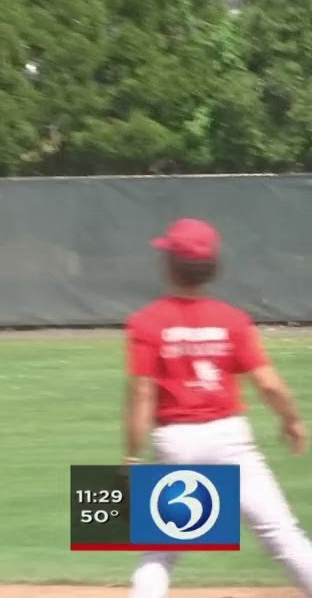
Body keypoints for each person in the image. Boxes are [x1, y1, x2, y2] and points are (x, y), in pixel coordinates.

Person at [125, 218, 312, 598]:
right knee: (282, 535)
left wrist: (131, 457)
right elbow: (269, 384)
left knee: (161, 550)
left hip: (175, 442)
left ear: (168, 265)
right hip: (229, 441)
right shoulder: (232, 320)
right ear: (213, 267)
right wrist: (291, 420)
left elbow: (143, 395)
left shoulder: (146, 323)